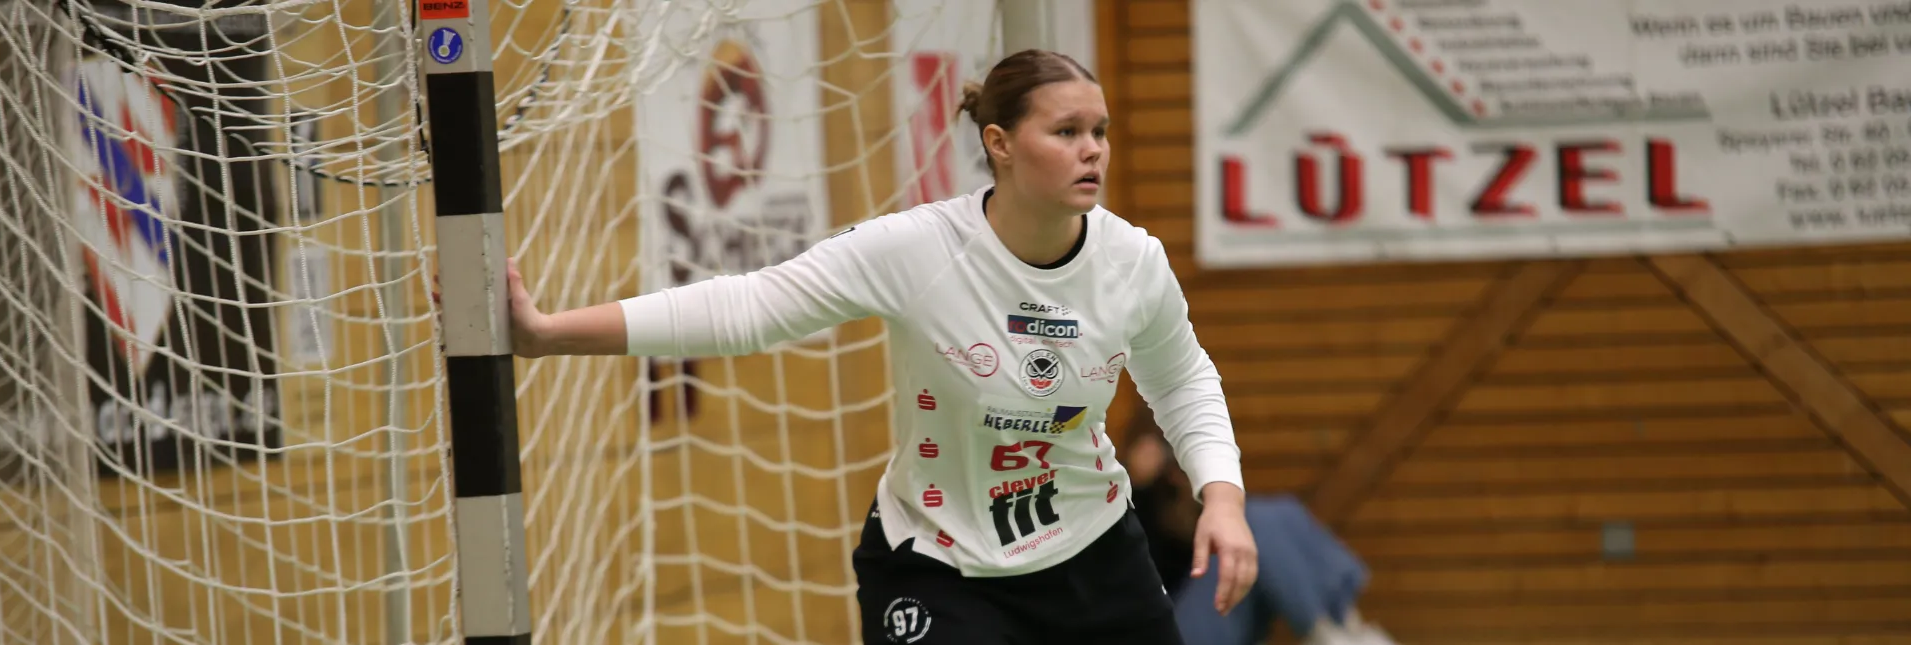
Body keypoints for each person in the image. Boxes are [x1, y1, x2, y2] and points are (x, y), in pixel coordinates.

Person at [502, 48, 1256, 644]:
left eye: (1100, 131)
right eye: (1065, 132)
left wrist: (1221, 495)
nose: (1092, 150)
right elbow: (749, 306)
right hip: (938, 562)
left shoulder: (1133, 261)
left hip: (1093, 555)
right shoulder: (919, 250)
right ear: (999, 143)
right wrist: (546, 333)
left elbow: (1183, 379)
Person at [1124, 412, 1398, 645]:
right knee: (1254, 521)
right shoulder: (1138, 503)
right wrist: (1138, 484)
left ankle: (1345, 625)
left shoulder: (1203, 504)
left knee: (1281, 513)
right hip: (1167, 632)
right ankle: (1321, 630)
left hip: (1211, 621)